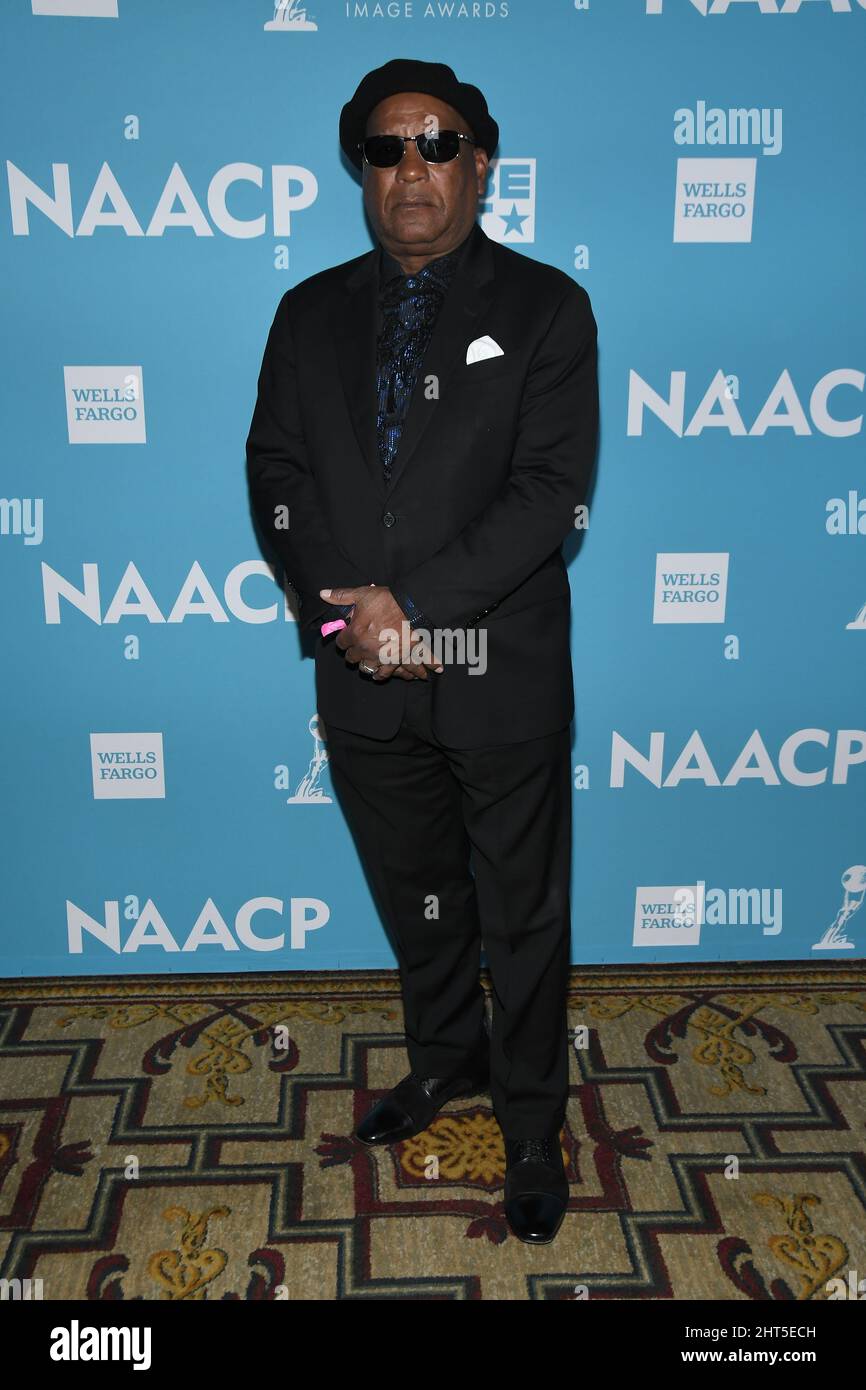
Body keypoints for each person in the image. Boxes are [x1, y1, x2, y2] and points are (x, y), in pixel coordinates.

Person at [245, 58, 599, 1244]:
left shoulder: (547, 308)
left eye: (438, 145)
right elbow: (277, 478)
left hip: (496, 670)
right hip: (363, 673)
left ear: (480, 164)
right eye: (387, 149)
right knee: (425, 901)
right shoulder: (306, 313)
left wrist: (411, 608)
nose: (413, 171)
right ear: (362, 169)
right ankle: (447, 1062)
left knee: (521, 913)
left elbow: (549, 493)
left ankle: (536, 1118)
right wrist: (348, 621)